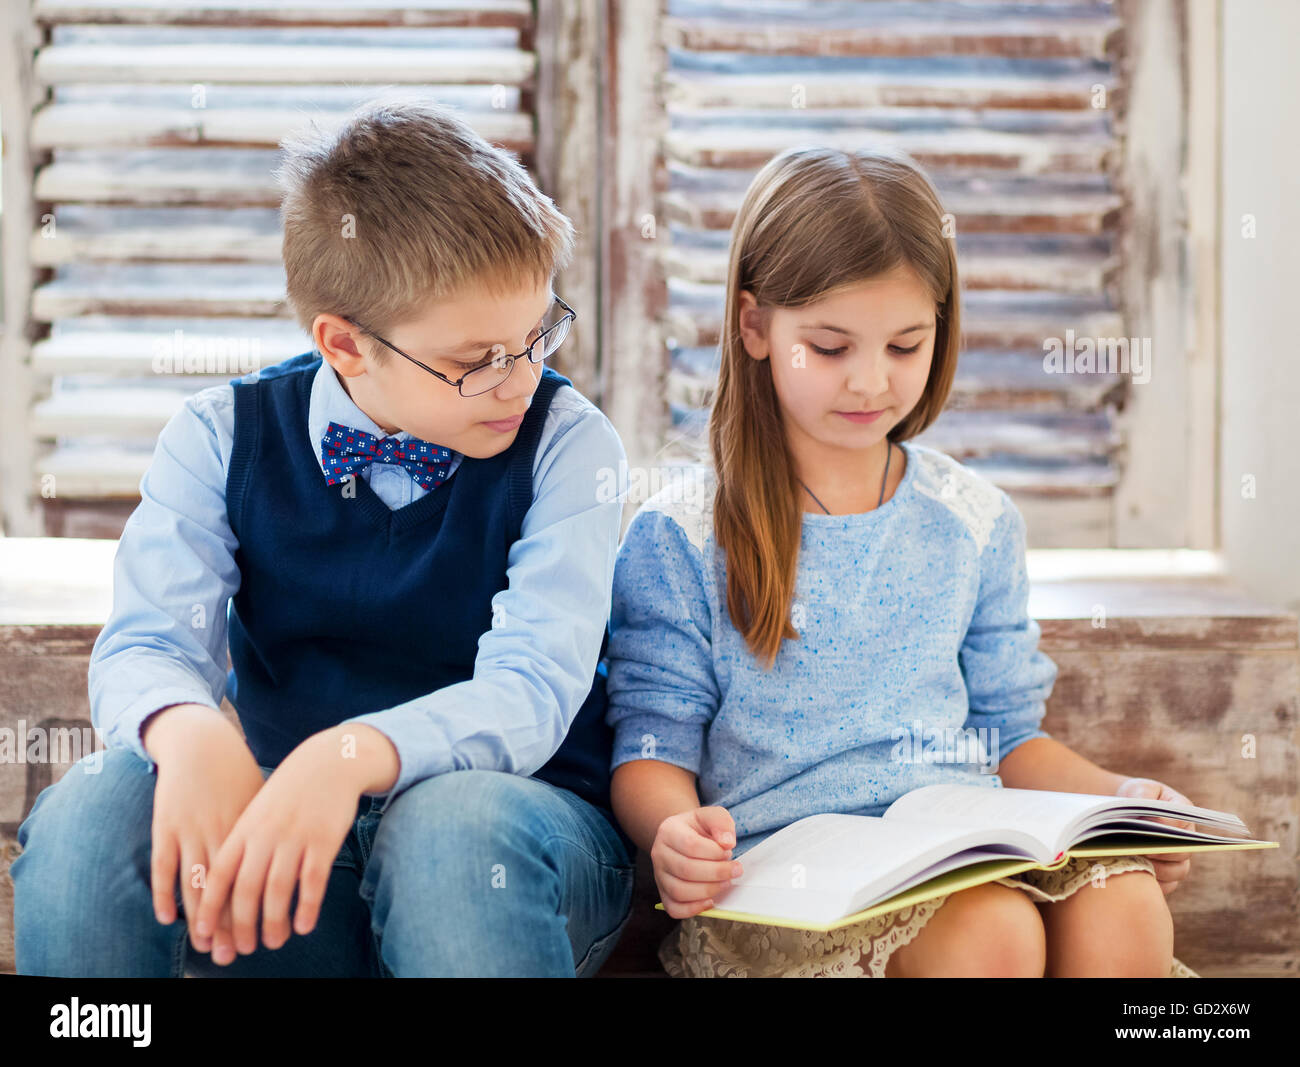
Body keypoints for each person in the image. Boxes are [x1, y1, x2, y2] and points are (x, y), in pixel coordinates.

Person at [12, 94, 635, 978]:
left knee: (449, 829)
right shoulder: (219, 436)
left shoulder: (570, 446)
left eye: (536, 335)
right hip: (299, 859)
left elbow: (531, 687)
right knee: (94, 802)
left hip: (511, 849)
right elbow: (149, 643)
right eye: (477, 360)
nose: (522, 379)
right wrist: (187, 729)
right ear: (344, 344)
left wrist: (347, 755)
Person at [603, 145, 1199, 978]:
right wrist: (672, 829)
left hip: (956, 847)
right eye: (832, 346)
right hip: (788, 883)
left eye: (905, 346)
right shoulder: (684, 534)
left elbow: (1009, 736)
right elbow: (652, 742)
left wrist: (1119, 802)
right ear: (754, 326)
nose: (870, 383)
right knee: (993, 934)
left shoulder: (973, 521)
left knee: (1126, 903)